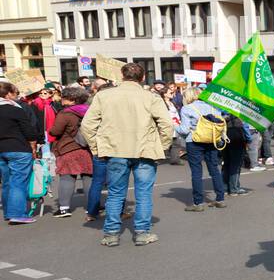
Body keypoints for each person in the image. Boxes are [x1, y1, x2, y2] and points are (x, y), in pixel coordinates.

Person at [79, 62, 173, 246]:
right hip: (145, 150)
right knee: (143, 193)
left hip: (115, 150)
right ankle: (141, 232)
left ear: (122, 76)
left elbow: (87, 125)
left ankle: (112, 234)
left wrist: (97, 148)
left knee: (115, 193)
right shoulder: (151, 97)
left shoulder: (104, 96)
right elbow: (166, 125)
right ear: (143, 77)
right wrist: (162, 146)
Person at [178, 87, 228, 212]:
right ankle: (220, 199)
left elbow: (184, 129)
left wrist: (174, 127)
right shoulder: (213, 107)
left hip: (194, 141)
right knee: (214, 170)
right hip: (211, 140)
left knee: (196, 172)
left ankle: (198, 203)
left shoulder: (187, 108)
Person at [48, 86, 95, 217]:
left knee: (67, 177)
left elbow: (55, 131)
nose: (61, 99)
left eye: (64, 97)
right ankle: (92, 206)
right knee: (88, 177)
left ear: (71, 99)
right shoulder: (89, 111)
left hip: (68, 148)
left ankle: (64, 208)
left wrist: (50, 130)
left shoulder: (65, 113)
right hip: (86, 148)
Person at [0, 80, 40, 224]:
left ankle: (8, 212)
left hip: (2, 149)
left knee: (7, 182)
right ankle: (16, 214)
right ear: (8, 94)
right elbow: (28, 130)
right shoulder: (15, 109)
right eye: (15, 93)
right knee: (18, 182)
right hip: (18, 148)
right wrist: (34, 145)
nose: (17, 96)